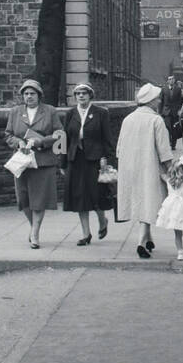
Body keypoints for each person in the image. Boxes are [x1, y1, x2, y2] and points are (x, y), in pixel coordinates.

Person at [116, 83, 174, 258]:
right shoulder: (156, 120)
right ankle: (141, 241)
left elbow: (119, 147)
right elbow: (164, 150)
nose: (159, 101)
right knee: (149, 202)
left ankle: (149, 238)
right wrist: (171, 170)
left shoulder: (128, 119)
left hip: (130, 168)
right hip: (149, 167)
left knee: (141, 202)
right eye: (157, 98)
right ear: (151, 101)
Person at [5, 78, 63, 249]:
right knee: (23, 199)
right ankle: (33, 228)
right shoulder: (15, 112)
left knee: (39, 199)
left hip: (43, 161)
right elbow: (8, 134)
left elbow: (59, 134)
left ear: (39, 96)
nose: (29, 97)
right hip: (22, 161)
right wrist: (18, 143)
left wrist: (40, 142)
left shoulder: (50, 111)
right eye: (26, 94)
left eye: (32, 94)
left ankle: (35, 233)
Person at [62, 83, 115, 245]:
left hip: (95, 160)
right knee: (79, 197)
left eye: (84, 93)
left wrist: (108, 159)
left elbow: (107, 138)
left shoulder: (100, 113)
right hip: (75, 159)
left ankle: (102, 220)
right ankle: (86, 234)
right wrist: (63, 163)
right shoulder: (70, 114)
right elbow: (65, 139)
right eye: (78, 94)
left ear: (90, 95)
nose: (81, 96)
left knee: (96, 194)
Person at [162, 77, 183, 151]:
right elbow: (161, 101)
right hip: (166, 111)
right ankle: (169, 141)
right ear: (167, 81)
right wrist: (160, 112)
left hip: (175, 112)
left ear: (174, 80)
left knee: (174, 128)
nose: (171, 80)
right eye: (169, 79)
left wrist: (179, 110)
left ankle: (173, 144)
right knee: (167, 127)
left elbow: (180, 101)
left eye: (172, 79)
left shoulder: (178, 89)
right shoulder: (164, 89)